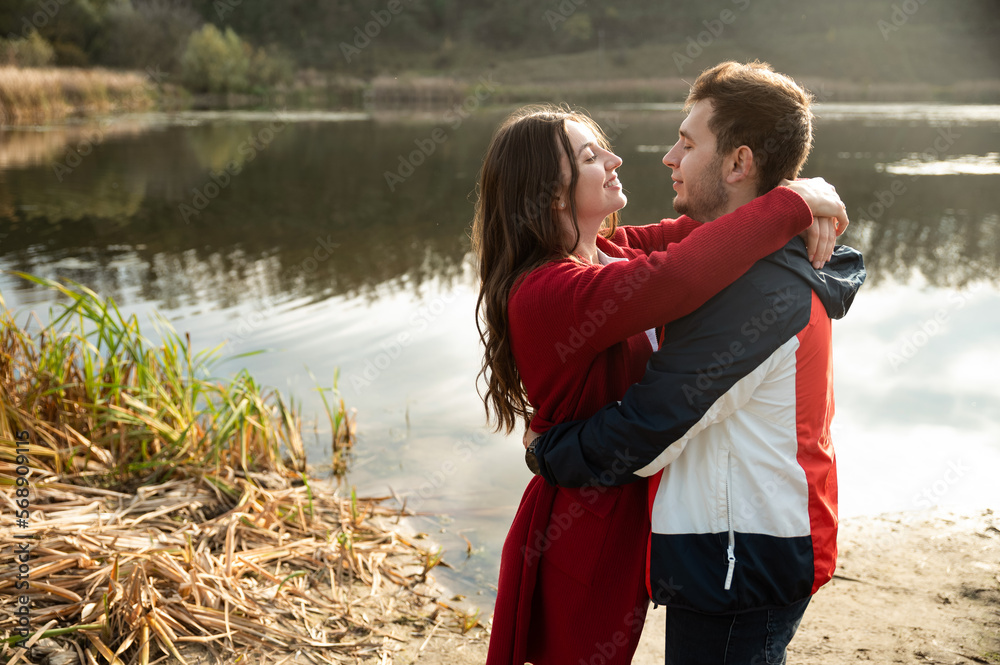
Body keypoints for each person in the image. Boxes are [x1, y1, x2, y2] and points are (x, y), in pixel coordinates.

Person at [471, 100, 848, 665]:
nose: (617, 159)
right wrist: (794, 202)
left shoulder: (608, 252)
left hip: (630, 506)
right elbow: (680, 273)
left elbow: (712, 228)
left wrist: (804, 191)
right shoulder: (549, 292)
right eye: (592, 156)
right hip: (585, 526)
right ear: (552, 192)